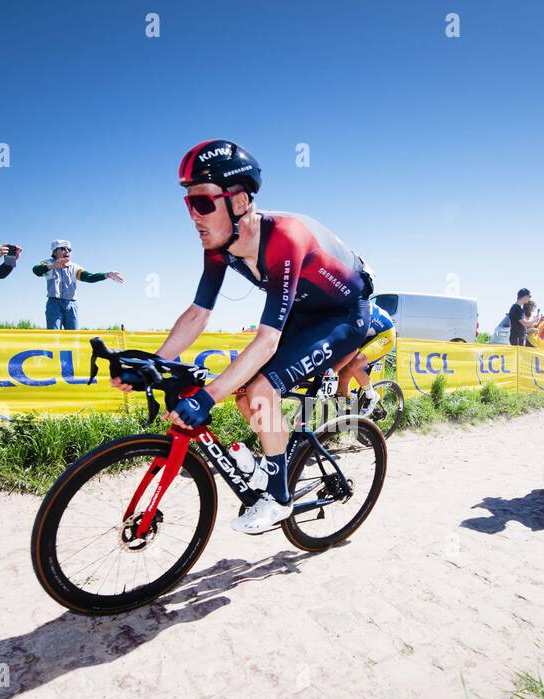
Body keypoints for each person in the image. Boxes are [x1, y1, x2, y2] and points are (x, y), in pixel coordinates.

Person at [110, 139, 374, 534]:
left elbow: (266, 341)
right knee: (245, 395)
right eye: (188, 204)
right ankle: (274, 461)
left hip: (345, 314)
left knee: (264, 387)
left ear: (238, 201)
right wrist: (155, 362)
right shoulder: (220, 247)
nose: (193, 216)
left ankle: (279, 499)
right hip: (306, 314)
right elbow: (199, 313)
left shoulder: (285, 237)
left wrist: (206, 396)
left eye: (202, 203)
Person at [31, 240, 123, 330]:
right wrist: (52, 266)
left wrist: (106, 275)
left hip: (71, 304)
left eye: (69, 250)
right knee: (54, 337)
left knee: (74, 337)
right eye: (63, 249)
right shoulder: (48, 263)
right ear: (55, 251)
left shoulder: (74, 267)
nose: (67, 251)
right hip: (54, 303)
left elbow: (89, 277)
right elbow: (36, 270)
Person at [334, 303, 396, 414]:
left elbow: (352, 348)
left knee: (354, 364)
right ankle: (343, 417)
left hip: (385, 335)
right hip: (368, 334)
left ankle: (371, 395)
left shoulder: (357, 312)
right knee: (343, 374)